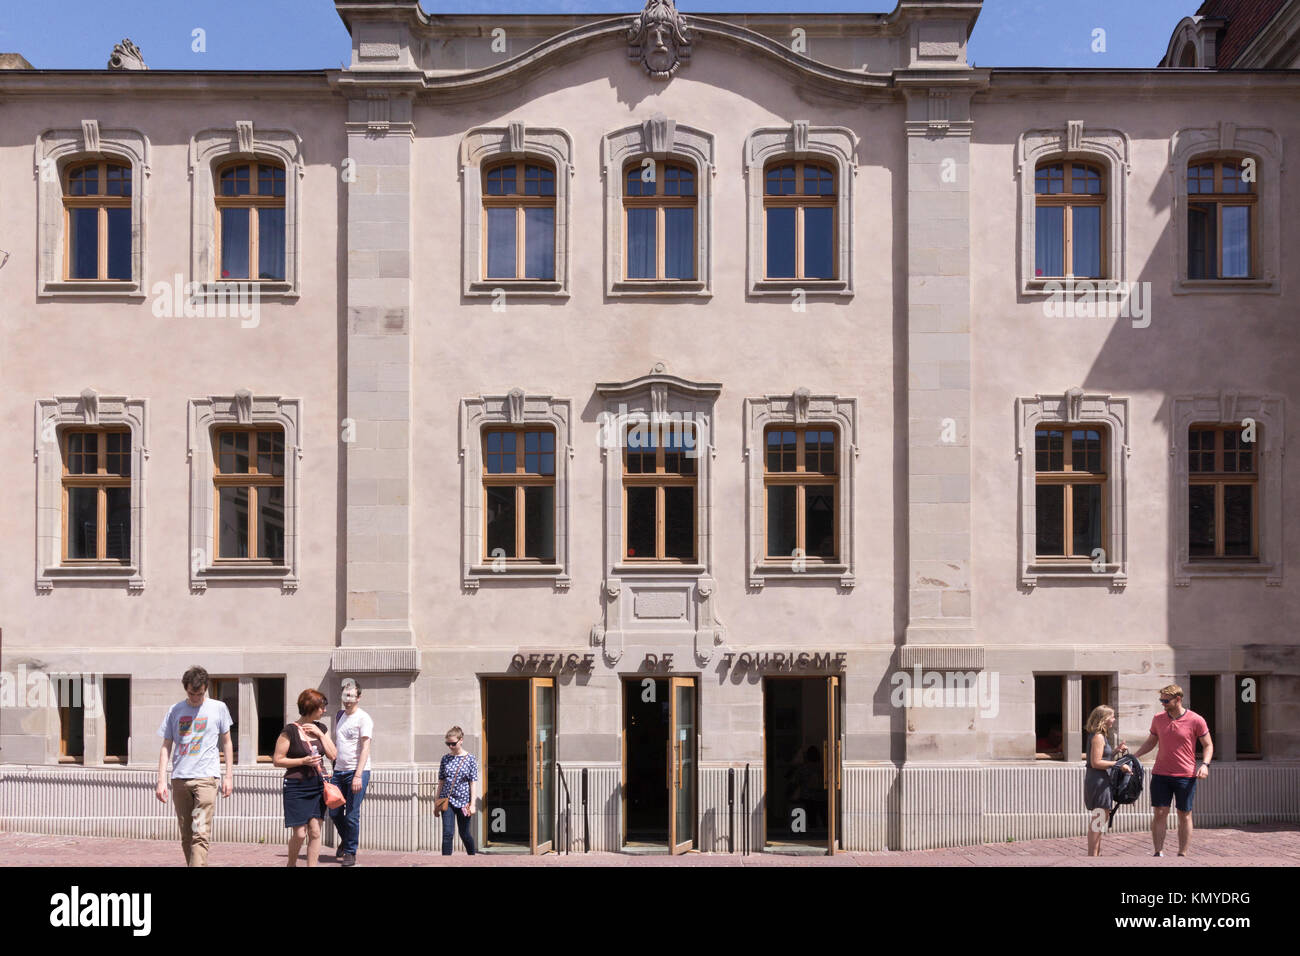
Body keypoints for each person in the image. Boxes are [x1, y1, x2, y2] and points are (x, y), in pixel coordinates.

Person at [155, 665, 234, 867]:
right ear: (186, 689)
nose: (195, 698)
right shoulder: (175, 710)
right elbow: (166, 746)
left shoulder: (218, 708)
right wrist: (161, 780)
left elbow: (226, 742)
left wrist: (228, 776)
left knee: (200, 832)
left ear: (205, 688)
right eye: (191, 693)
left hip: (205, 780)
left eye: (199, 694)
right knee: (187, 835)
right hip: (180, 779)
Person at [1130, 684, 1212, 857]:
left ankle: (1182, 853)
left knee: (1184, 814)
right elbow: (1151, 742)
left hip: (1186, 775)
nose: (1163, 703)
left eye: (1166, 700)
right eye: (1161, 700)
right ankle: (1158, 851)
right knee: (1160, 812)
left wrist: (1205, 765)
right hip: (1161, 774)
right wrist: (1134, 757)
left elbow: (1208, 745)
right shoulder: (1158, 719)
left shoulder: (1196, 719)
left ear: (1178, 699)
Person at [273, 688, 337, 867]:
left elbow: (333, 755)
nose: (324, 710)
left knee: (315, 832)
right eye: (321, 707)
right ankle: (291, 864)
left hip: (317, 785)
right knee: (300, 833)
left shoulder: (321, 728)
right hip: (296, 786)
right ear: (311, 707)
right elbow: (277, 760)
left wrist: (320, 734)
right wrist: (303, 760)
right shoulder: (290, 731)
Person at [329, 678, 373, 867]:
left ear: (358, 698)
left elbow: (365, 748)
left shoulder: (364, 718)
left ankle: (350, 852)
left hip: (357, 771)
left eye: (351, 696)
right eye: (345, 695)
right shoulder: (340, 716)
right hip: (338, 770)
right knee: (334, 811)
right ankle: (347, 840)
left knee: (352, 814)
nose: (347, 700)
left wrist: (357, 775)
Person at [1082, 705, 1131, 857]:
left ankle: (1095, 853)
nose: (1114, 720)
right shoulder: (1097, 736)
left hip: (1102, 780)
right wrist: (1119, 765)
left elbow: (1103, 758)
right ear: (1104, 719)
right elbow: (1096, 762)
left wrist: (1116, 751)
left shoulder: (1100, 736)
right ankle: (1092, 855)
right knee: (1099, 818)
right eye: (1112, 716)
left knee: (1102, 816)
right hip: (1098, 781)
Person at [436, 725, 479, 855]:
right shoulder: (445, 759)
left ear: (461, 740)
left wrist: (472, 804)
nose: (450, 746)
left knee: (464, 834)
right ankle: (446, 862)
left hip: (464, 802)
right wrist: (436, 801)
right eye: (447, 744)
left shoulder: (470, 759)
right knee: (447, 834)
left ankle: (472, 857)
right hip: (447, 800)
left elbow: (473, 783)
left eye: (453, 744)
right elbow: (441, 781)